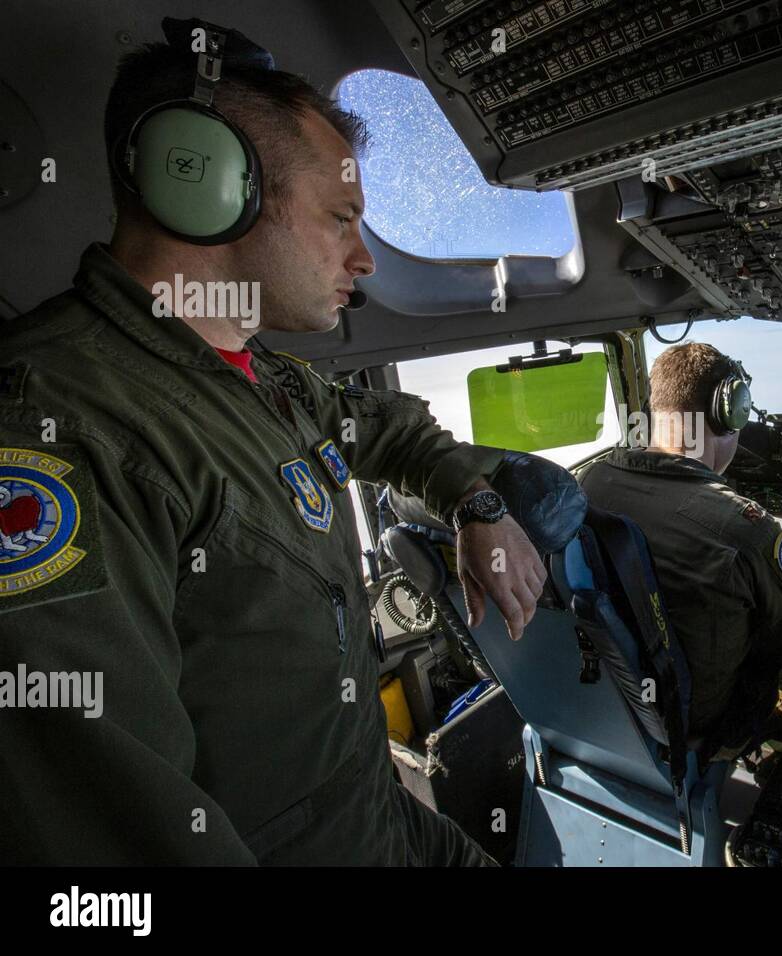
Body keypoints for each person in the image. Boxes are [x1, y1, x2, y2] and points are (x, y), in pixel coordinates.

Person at [0, 21, 546, 864]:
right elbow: (112, 836)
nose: (364, 258)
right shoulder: (63, 426)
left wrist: (475, 504)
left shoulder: (267, 381)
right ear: (210, 185)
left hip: (380, 819)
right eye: (340, 218)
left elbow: (392, 428)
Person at [579, 342, 782, 760]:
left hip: (613, 695)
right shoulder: (745, 528)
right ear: (731, 412)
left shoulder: (591, 481)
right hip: (702, 724)